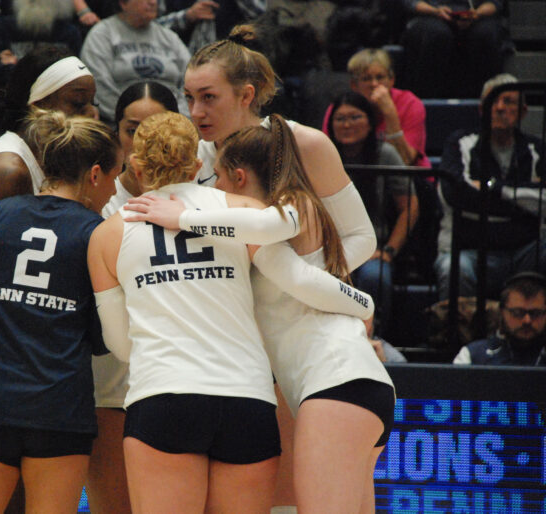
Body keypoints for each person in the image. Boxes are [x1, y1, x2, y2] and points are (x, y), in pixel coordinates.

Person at [90, 111, 378, 512]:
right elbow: (298, 277)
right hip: (246, 398)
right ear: (197, 165)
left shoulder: (106, 233)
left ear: (136, 167)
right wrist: (362, 303)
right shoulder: (242, 210)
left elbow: (120, 346)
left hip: (164, 394)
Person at [182, 35, 383, 512]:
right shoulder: (193, 156)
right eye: (188, 97)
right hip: (236, 345)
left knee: (300, 494)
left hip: (307, 345)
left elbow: (361, 238)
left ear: (246, 95)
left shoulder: (304, 143)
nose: (195, 112)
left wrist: (309, 283)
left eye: (208, 97)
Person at [0, 109, 122, 513]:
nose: (114, 188)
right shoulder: (99, 234)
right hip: (61, 412)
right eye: (114, 177)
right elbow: (103, 341)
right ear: (95, 175)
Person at [0, 46, 97, 363]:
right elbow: (6, 282)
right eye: (78, 104)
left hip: (21, 342)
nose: (91, 114)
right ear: (38, 105)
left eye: (92, 104)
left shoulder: (48, 160)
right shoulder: (7, 169)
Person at [87, 80, 179, 514]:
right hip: (112, 383)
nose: (144, 143)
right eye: (132, 130)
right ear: (117, 133)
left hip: (180, 382)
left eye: (156, 130)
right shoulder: (98, 199)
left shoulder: (204, 203)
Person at [435, 73, 546, 301]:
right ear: (481, 109)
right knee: (453, 268)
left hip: (524, 251)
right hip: (469, 250)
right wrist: (521, 203)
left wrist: (493, 187)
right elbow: (455, 193)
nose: (499, 108)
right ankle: (459, 326)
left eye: (508, 101)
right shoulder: (460, 143)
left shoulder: (536, 149)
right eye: (492, 102)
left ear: (523, 111)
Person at [326, 90, 420, 332]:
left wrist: (389, 250)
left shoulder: (385, 153)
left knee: (374, 276)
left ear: (370, 123)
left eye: (355, 117)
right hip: (329, 248)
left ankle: (374, 338)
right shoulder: (322, 155)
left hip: (374, 249)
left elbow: (410, 207)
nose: (347, 124)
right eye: (340, 119)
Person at [79, 0, 190, 122]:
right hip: (124, 122)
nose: (153, 2)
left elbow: (190, 79)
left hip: (174, 121)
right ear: (123, 3)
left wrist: (178, 119)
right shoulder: (101, 34)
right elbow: (100, 88)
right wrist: (132, 119)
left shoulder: (169, 37)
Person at [322, 48, 430, 169]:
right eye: (366, 79)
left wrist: (390, 114)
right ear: (354, 85)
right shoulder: (341, 110)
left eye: (380, 77)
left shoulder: (410, 103)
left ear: (392, 80)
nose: (374, 84)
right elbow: (326, 155)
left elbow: (405, 161)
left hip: (408, 176)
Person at [400, 0, 507, 99]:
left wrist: (477, 13)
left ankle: (487, 102)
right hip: (428, 16)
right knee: (437, 35)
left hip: (478, 16)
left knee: (485, 35)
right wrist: (435, 11)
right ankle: (426, 101)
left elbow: (495, 2)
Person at [454, 271, 546, 366]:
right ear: (502, 312)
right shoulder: (471, 355)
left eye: (536, 313)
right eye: (517, 313)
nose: (527, 320)